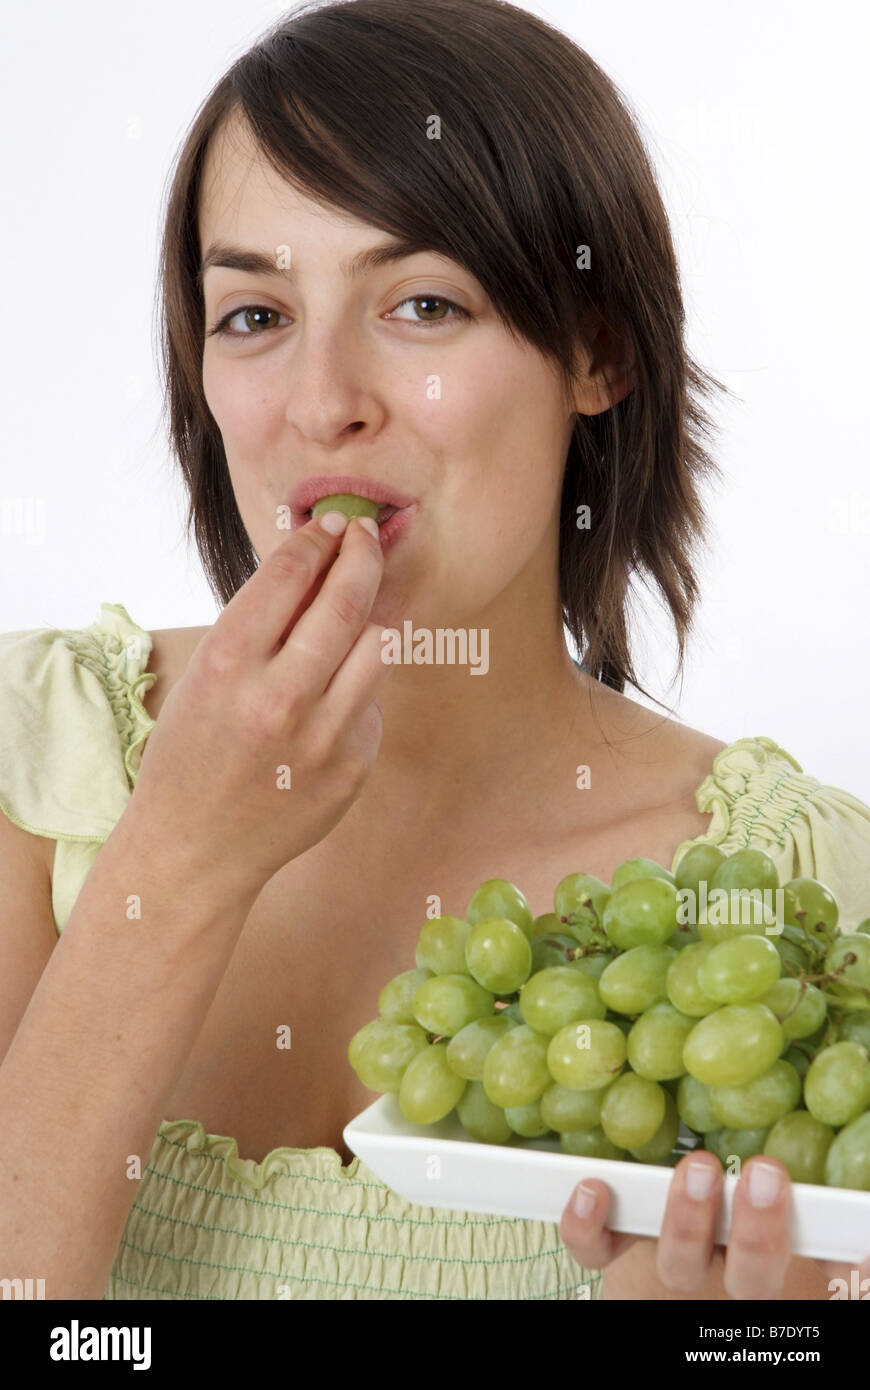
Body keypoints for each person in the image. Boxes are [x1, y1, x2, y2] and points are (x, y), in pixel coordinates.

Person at [1, 0, 869, 1302]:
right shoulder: (34, 752)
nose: (320, 400)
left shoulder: (796, 894)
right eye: (252, 314)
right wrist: (178, 855)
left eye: (419, 302)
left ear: (598, 349)